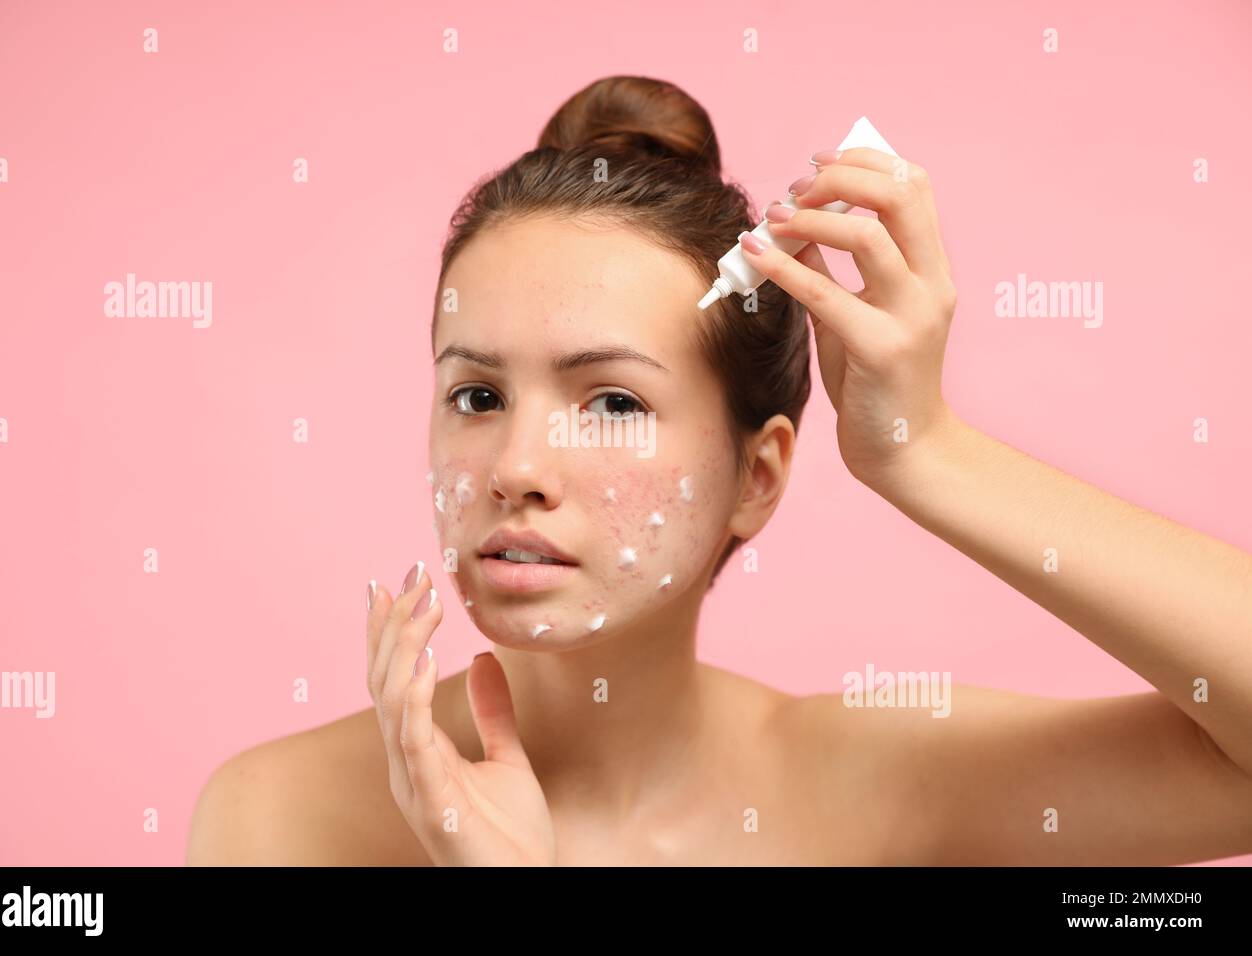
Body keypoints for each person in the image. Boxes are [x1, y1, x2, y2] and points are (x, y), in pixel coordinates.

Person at [187, 75, 1252, 866]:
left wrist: (926, 451)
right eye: (476, 395)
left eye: (613, 402)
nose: (515, 467)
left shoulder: (880, 788)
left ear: (758, 475)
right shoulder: (286, 819)